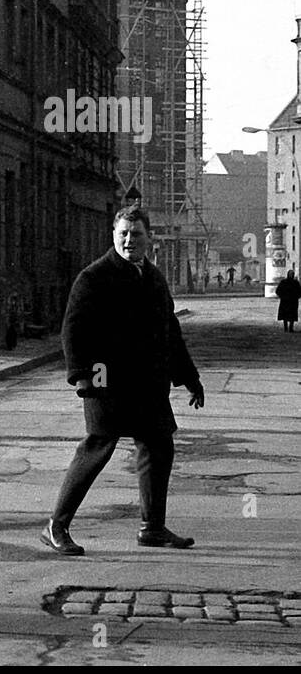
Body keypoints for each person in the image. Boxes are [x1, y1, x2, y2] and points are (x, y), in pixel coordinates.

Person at [42, 205, 205, 556]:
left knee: (159, 445)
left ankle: (153, 528)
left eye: (137, 234)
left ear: (149, 238)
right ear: (114, 236)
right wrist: (81, 377)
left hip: (147, 383)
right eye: (124, 234)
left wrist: (189, 377)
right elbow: (73, 329)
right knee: (98, 446)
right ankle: (56, 525)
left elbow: (169, 331)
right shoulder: (95, 277)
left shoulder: (154, 277)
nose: (130, 240)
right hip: (105, 380)